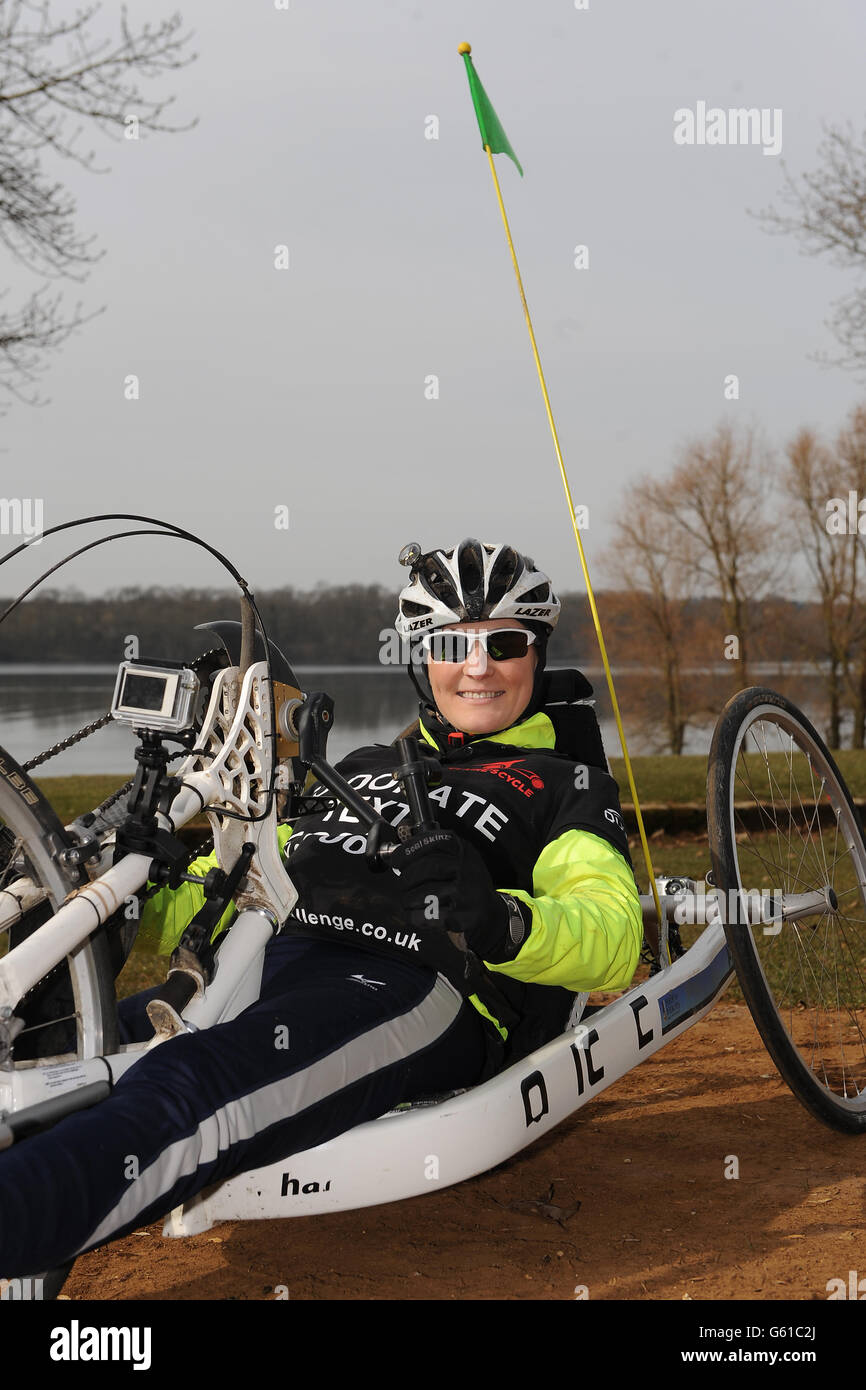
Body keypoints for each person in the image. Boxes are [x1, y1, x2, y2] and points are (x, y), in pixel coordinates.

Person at [0, 538, 642, 1281]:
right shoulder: (362, 765)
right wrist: (140, 881)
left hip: (410, 982)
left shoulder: (562, 784)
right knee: (62, 1055)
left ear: (537, 651)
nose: (477, 667)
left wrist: (498, 916)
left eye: (503, 643)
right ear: (420, 657)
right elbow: (238, 877)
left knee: (197, 1086)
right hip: (260, 957)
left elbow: (613, 935)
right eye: (450, 644)